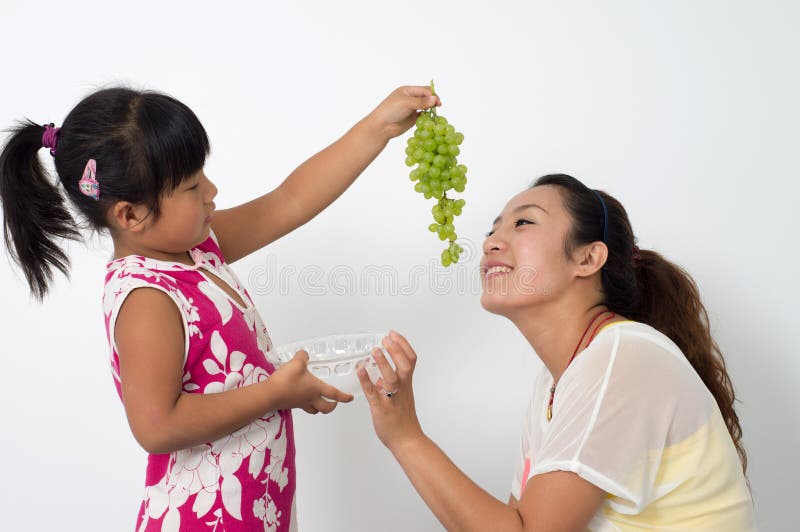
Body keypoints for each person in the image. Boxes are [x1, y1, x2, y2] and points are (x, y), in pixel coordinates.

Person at [0, 84, 440, 531]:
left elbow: (289, 200)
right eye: (192, 186)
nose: (212, 190)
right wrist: (275, 393)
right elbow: (155, 426)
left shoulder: (198, 250)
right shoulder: (146, 297)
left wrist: (377, 128)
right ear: (130, 215)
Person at [357, 174, 756, 530]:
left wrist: (407, 437)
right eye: (492, 229)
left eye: (523, 223)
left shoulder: (621, 358)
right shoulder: (556, 382)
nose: (491, 242)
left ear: (588, 258)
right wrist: (402, 435)